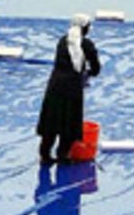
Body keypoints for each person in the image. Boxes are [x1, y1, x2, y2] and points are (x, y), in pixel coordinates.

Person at [36, 14, 101, 166]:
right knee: (69, 124)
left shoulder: (62, 41)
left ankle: (45, 155)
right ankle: (62, 155)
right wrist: (89, 73)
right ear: (85, 28)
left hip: (55, 86)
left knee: (51, 122)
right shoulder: (87, 45)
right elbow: (96, 67)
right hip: (72, 90)